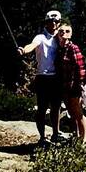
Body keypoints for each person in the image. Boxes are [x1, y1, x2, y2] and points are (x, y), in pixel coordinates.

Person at [18, 10, 63, 146]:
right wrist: (24, 50)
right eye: (50, 21)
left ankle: (56, 134)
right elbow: (31, 46)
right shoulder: (40, 37)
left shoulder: (61, 38)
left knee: (56, 108)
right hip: (43, 77)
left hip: (56, 77)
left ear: (59, 23)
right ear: (46, 23)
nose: (53, 24)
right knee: (42, 109)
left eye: (56, 21)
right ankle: (42, 137)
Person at [55, 23, 86, 146]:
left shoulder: (73, 48)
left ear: (71, 34)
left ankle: (84, 139)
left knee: (77, 112)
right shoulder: (60, 49)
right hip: (64, 86)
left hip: (74, 86)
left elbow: (80, 67)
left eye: (67, 31)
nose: (64, 33)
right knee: (72, 112)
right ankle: (79, 137)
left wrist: (80, 83)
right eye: (61, 31)